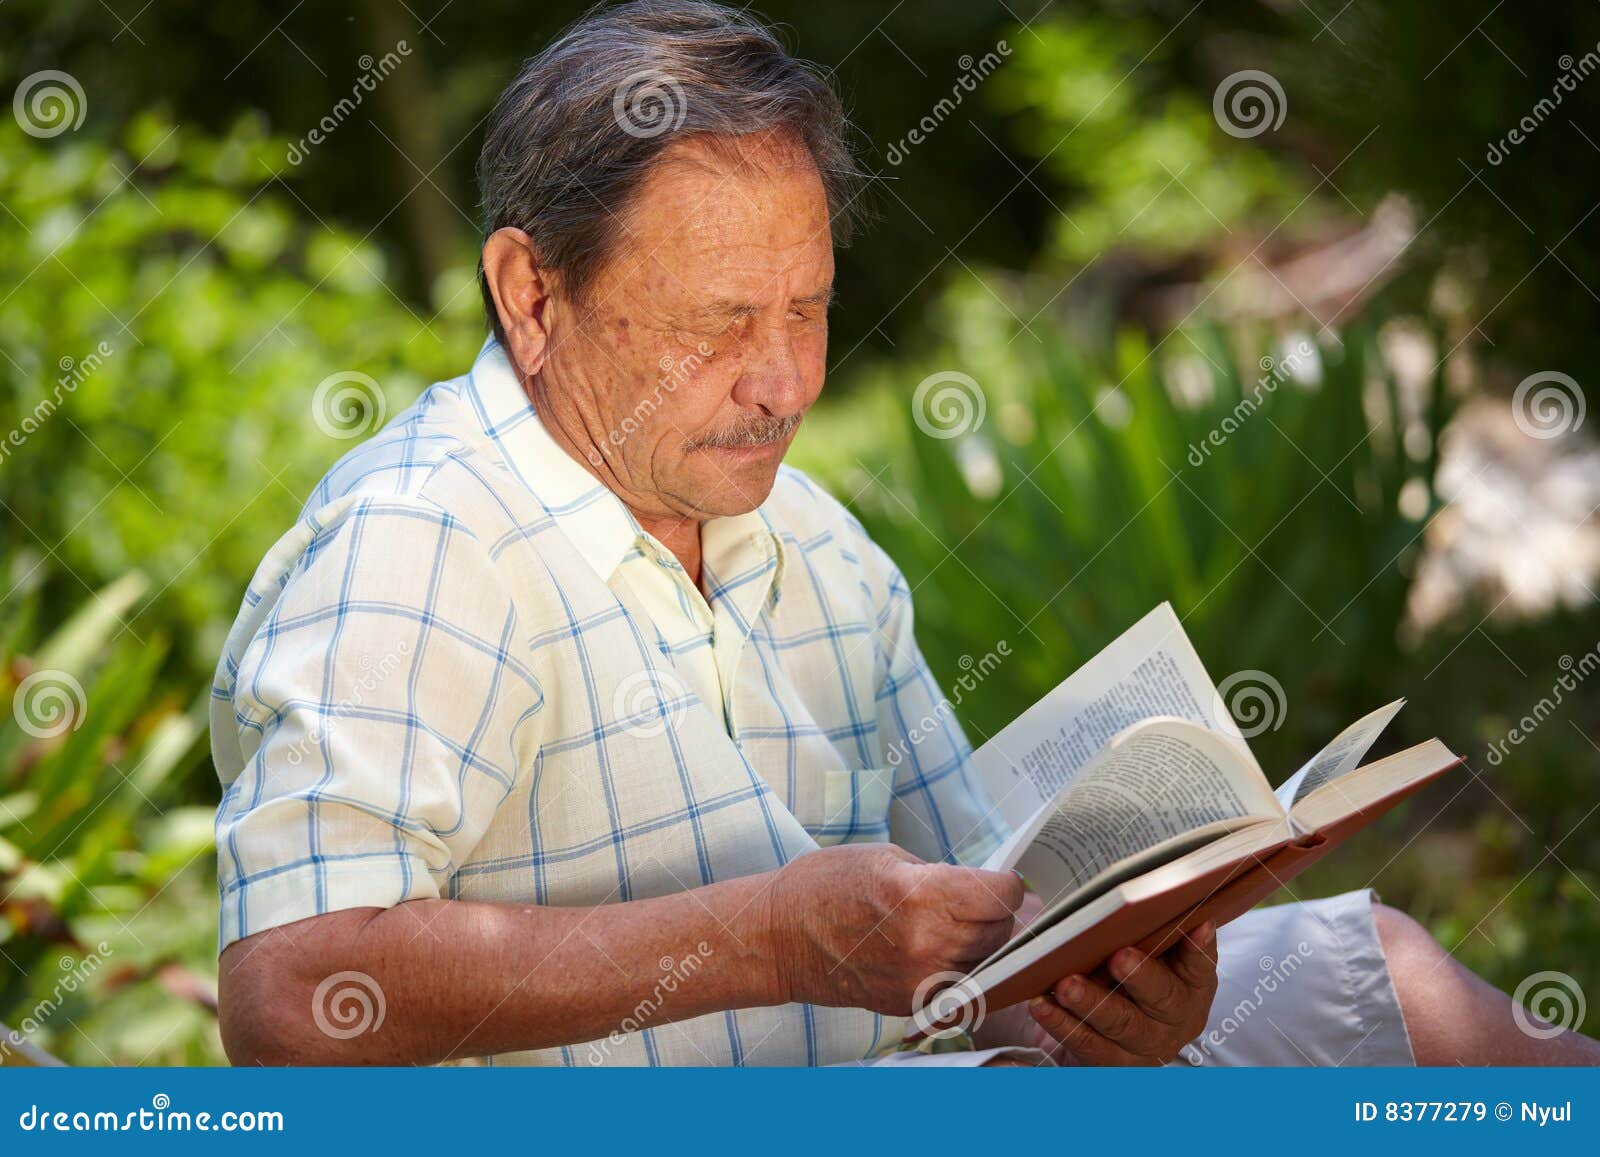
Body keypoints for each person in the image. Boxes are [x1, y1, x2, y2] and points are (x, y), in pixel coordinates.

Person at [211, 0, 1598, 1067]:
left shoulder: (816, 544)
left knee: (1397, 981)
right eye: (716, 323)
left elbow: (996, 940)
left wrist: (1117, 999)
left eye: (806, 309)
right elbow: (288, 992)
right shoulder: (421, 541)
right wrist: (762, 942)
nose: (782, 381)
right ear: (531, 293)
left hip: (915, 1082)